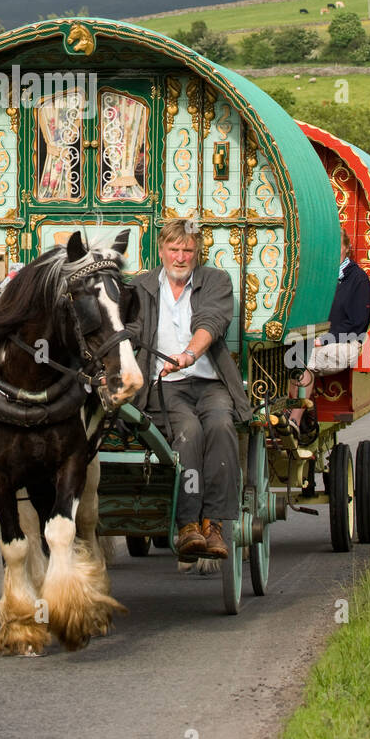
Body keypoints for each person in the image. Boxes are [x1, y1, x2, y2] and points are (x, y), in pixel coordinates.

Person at [133, 219, 251, 562]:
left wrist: (188, 355)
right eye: (174, 249)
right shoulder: (141, 287)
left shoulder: (215, 281)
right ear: (161, 250)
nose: (181, 257)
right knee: (188, 432)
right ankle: (187, 525)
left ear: (197, 252)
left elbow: (211, 322)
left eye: (188, 250)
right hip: (164, 385)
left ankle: (213, 524)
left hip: (210, 381)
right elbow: (128, 329)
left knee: (220, 425)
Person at [281, 228, 370, 440]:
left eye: (338, 246)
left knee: (303, 359)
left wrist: (325, 338)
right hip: (315, 340)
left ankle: (294, 419)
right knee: (286, 356)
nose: (334, 251)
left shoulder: (357, 280)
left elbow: (357, 324)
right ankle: (297, 411)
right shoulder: (320, 277)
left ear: (347, 248)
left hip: (346, 343)